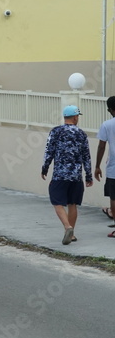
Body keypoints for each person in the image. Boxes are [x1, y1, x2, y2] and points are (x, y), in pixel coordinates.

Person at [42, 105, 93, 245]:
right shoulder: (81, 133)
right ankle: (71, 234)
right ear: (75, 117)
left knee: (57, 201)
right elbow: (86, 156)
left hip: (60, 175)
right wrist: (88, 175)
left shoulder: (56, 131)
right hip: (76, 176)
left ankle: (67, 227)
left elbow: (49, 151)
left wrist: (45, 168)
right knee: (72, 204)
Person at [94, 96, 115, 233]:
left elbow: (101, 147)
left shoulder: (107, 125)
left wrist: (97, 166)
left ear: (110, 110)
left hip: (113, 168)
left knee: (114, 197)